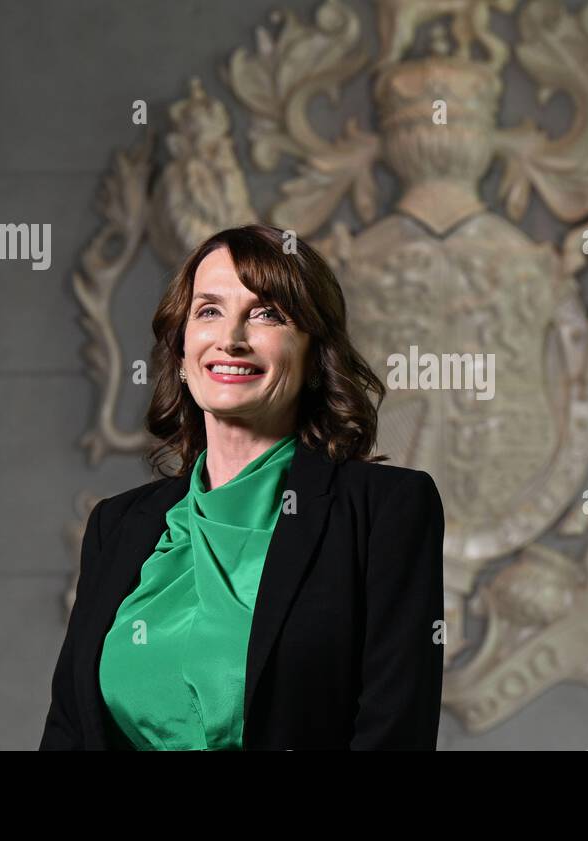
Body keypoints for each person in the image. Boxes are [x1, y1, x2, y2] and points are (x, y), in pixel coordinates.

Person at [40, 224, 445, 750]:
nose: (231, 337)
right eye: (208, 311)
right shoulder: (116, 526)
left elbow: (394, 736)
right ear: (182, 351)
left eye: (267, 313)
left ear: (314, 355)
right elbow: (68, 734)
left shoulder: (385, 510)